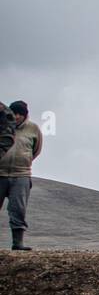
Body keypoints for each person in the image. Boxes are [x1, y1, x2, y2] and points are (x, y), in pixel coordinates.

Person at [1, 101, 43, 251]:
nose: (17, 116)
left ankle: (17, 243)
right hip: (0, 174)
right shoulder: (2, 126)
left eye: (20, 114)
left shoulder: (33, 129)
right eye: (14, 113)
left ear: (25, 115)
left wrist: (24, 161)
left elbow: (36, 150)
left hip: (21, 174)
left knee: (18, 209)